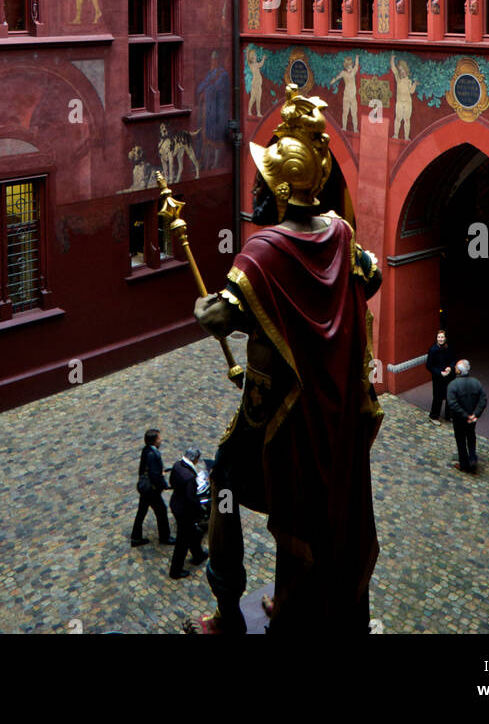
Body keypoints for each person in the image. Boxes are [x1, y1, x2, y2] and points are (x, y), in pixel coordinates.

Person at [189, 85, 383, 635]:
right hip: (335, 414)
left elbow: (218, 317)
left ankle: (228, 613)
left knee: (225, 482)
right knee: (323, 514)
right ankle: (302, 600)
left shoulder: (264, 251)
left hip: (275, 416)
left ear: (276, 185)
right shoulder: (342, 236)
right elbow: (372, 275)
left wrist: (206, 305)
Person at [131, 428, 175, 548]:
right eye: (159, 438)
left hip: (145, 488)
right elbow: (154, 476)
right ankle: (165, 537)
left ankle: (136, 537)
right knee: (161, 511)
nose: (161, 440)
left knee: (141, 512)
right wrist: (164, 485)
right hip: (151, 491)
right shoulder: (152, 454)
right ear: (154, 441)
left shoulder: (146, 451)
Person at [169, 447, 208, 579]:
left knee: (192, 533)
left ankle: (198, 555)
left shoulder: (176, 465)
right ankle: (175, 570)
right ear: (195, 459)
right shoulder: (190, 477)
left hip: (176, 504)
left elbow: (172, 483)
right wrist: (200, 511)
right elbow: (192, 499)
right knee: (182, 542)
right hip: (185, 512)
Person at [446, 359, 487, 472]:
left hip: (459, 418)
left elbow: (452, 404)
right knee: (471, 436)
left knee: (460, 439)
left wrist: (465, 415)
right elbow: (483, 400)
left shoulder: (453, 385)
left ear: (459, 371)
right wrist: (475, 414)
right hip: (472, 418)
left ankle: (464, 463)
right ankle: (472, 457)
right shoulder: (476, 382)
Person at [426, 330, 454, 423]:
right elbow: (429, 366)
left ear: (445, 338)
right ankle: (433, 417)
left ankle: (448, 416)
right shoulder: (432, 350)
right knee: (438, 397)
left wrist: (450, 367)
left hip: (449, 376)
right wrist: (439, 373)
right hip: (438, 378)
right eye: (439, 337)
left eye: (442, 337)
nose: (440, 339)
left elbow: (453, 360)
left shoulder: (448, 347)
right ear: (436, 338)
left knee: (449, 396)